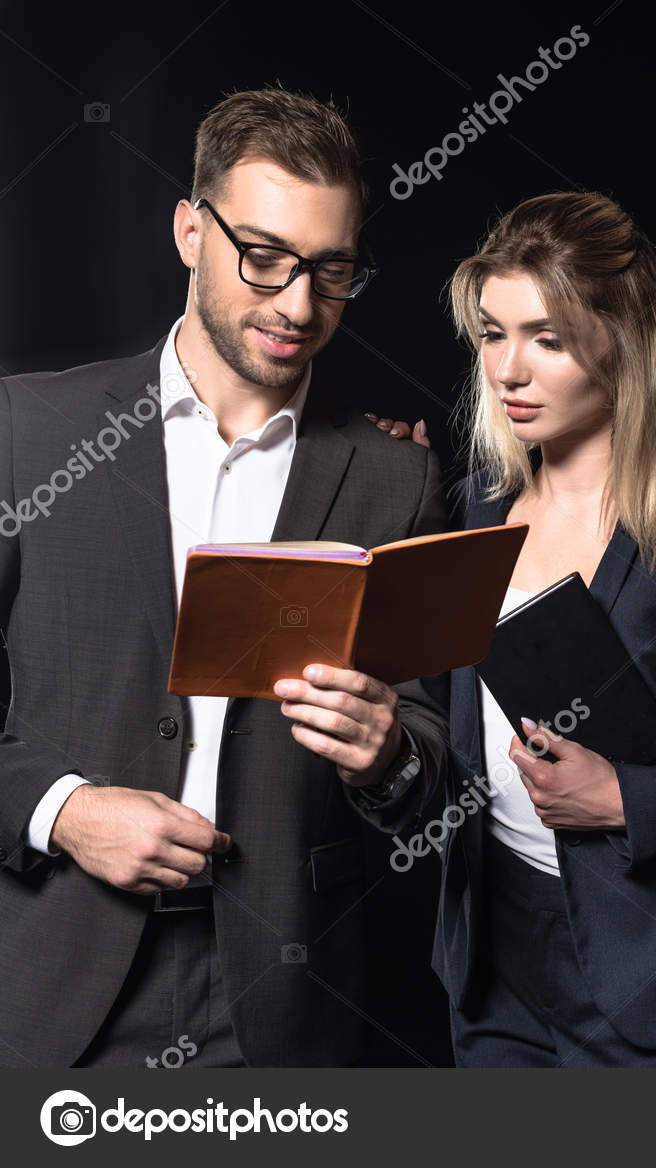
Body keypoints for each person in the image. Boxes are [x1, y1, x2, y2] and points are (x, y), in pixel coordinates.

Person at [0, 87, 452, 1067]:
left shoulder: (396, 475)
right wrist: (63, 808)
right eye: (264, 258)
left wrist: (386, 755)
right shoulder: (23, 433)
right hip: (49, 977)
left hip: (284, 996)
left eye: (331, 271)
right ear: (188, 232)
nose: (298, 304)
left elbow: (430, 765)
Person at [366, 191, 656, 1066]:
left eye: (545, 337)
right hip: (492, 958)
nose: (508, 369)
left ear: (623, 341)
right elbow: (432, 738)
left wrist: (629, 797)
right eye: (493, 334)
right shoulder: (467, 515)